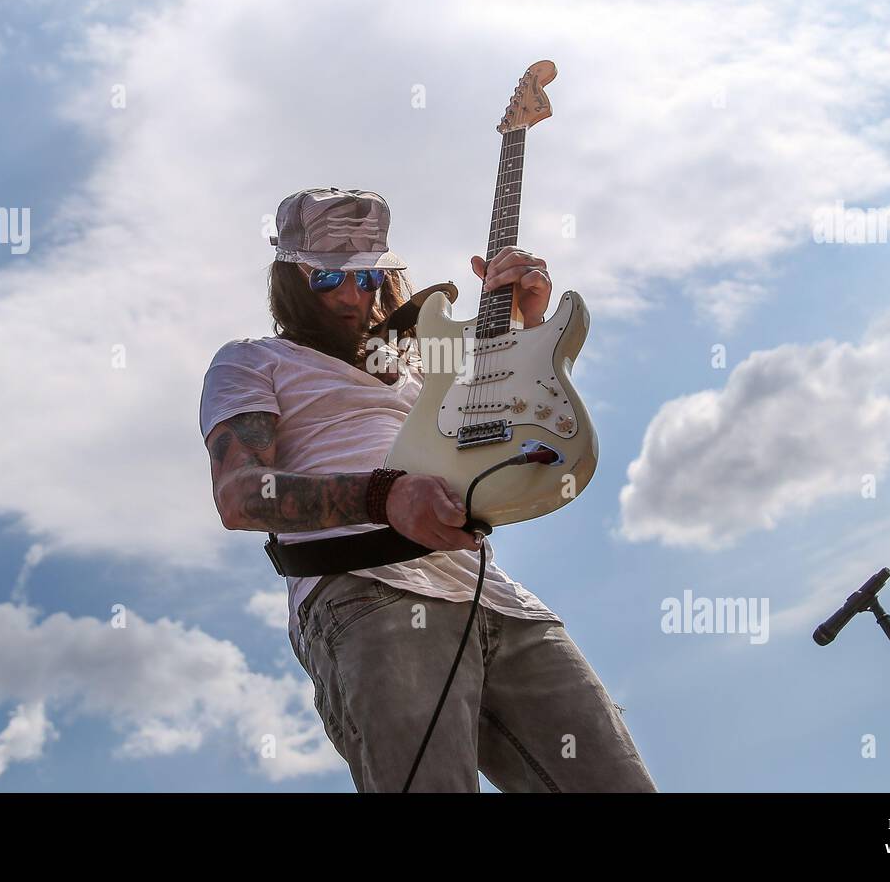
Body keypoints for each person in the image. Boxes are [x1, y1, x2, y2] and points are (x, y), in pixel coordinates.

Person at [199, 187, 657, 792]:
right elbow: (240, 495)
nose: (350, 296)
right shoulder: (252, 361)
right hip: (367, 594)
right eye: (329, 276)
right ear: (289, 278)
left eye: (368, 278)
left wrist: (525, 323)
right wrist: (385, 496)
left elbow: (508, 424)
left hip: (495, 598)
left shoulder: (421, 361)